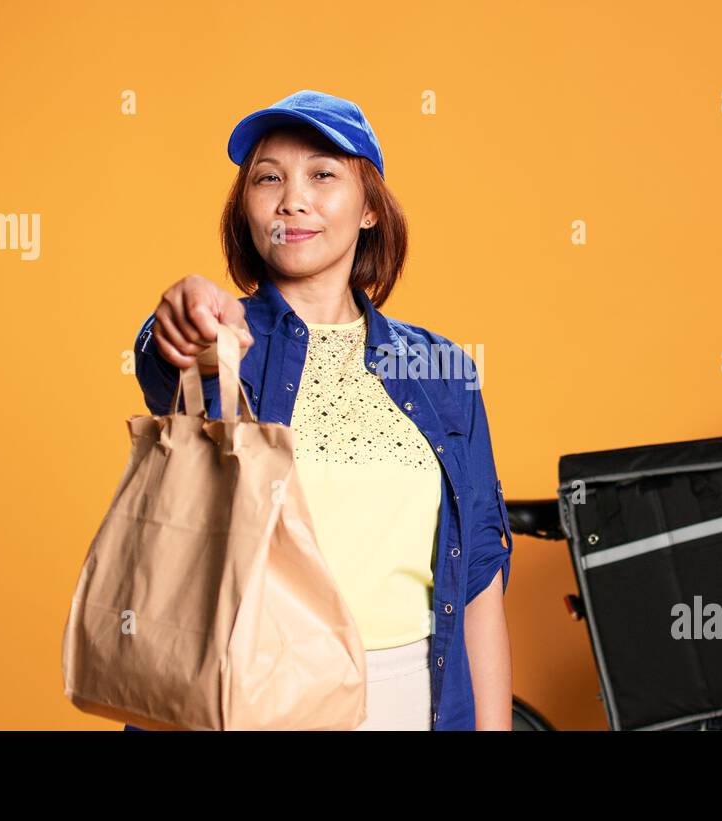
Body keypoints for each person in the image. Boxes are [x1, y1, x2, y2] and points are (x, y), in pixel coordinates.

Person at [125, 90, 513, 731]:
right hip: (249, 696)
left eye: (322, 174)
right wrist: (183, 322)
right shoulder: (230, 339)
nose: (292, 199)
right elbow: (167, 363)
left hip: (412, 700)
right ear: (245, 208)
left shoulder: (441, 370)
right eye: (268, 178)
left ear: (369, 210)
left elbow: (477, 575)